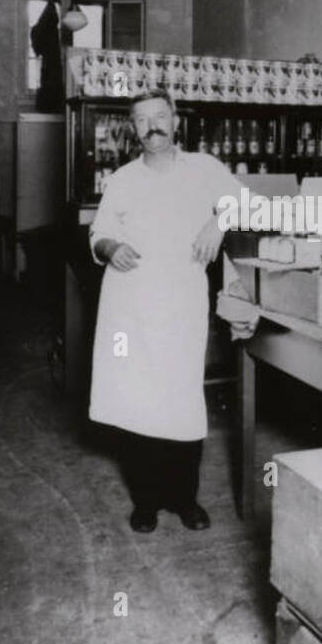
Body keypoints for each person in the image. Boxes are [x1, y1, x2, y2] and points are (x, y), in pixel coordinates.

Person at [88, 87, 242, 533]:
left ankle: (184, 499)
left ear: (175, 120)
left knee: (181, 399)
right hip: (131, 304)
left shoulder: (204, 169)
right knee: (137, 402)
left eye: (160, 116)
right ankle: (145, 501)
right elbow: (97, 232)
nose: (152, 126)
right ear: (132, 128)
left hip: (180, 303)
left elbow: (240, 200)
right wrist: (110, 245)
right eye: (141, 119)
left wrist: (218, 221)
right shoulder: (122, 179)